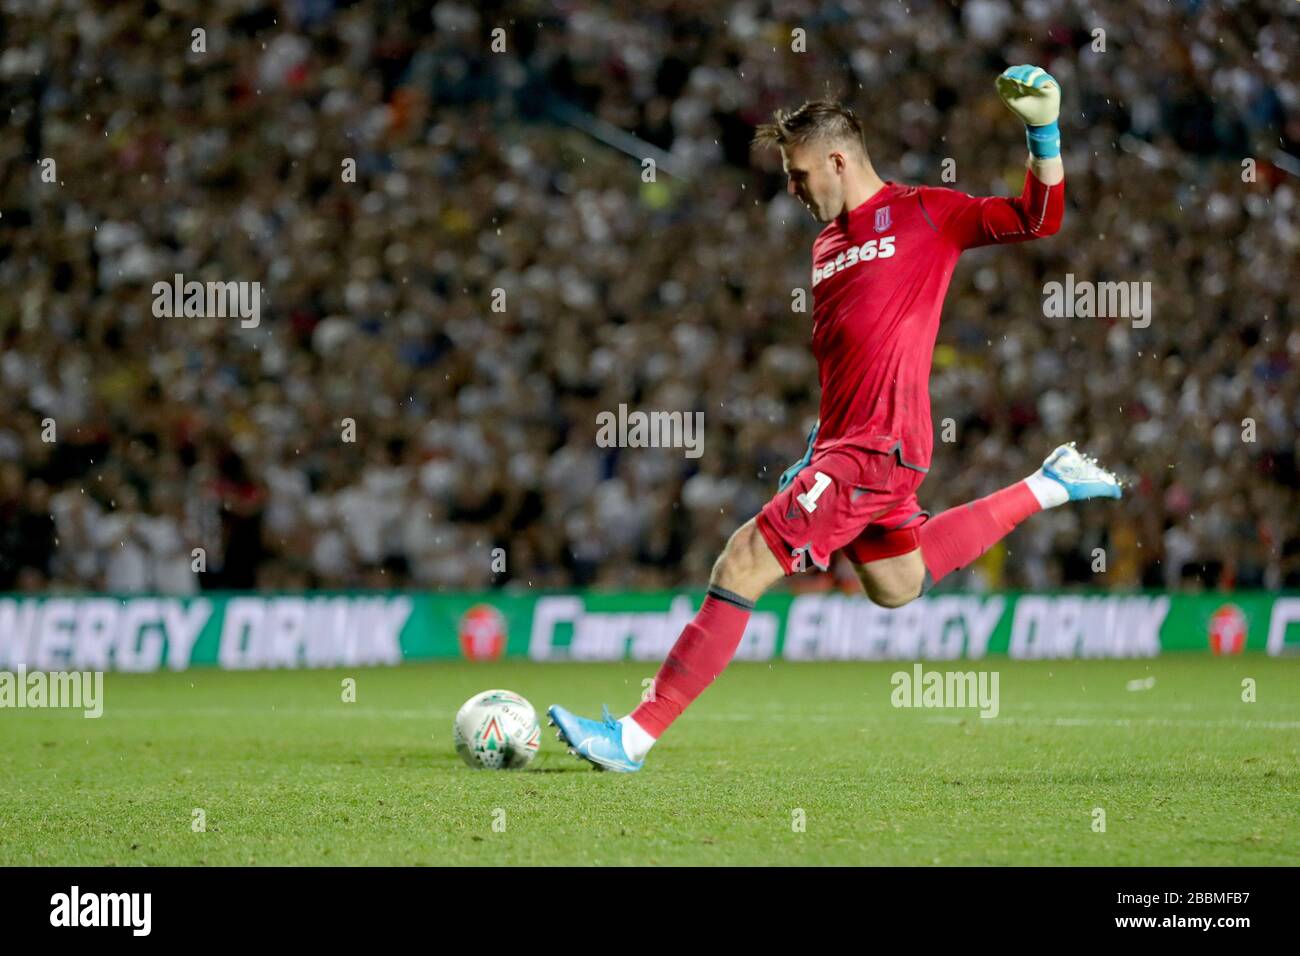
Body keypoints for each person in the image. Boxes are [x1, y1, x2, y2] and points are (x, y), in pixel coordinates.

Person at [548, 65, 1122, 772]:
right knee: (896, 584)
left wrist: (1043, 129)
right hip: (852, 443)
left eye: (797, 175)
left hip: (881, 445)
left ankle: (632, 737)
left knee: (744, 557)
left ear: (838, 160)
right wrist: (820, 446)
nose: (792, 192)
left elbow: (1041, 218)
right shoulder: (824, 248)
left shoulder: (926, 213)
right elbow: (846, 365)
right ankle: (1050, 484)